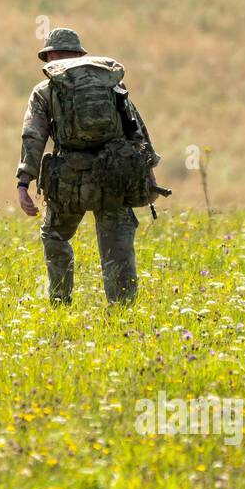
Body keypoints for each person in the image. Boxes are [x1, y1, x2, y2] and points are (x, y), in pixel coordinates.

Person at [16, 28, 161, 304]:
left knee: (55, 237)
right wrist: (149, 176)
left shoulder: (45, 90)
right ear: (81, 54)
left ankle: (60, 300)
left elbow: (33, 136)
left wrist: (24, 182)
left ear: (50, 56)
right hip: (114, 175)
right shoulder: (110, 84)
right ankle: (122, 313)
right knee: (117, 247)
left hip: (68, 179)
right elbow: (136, 130)